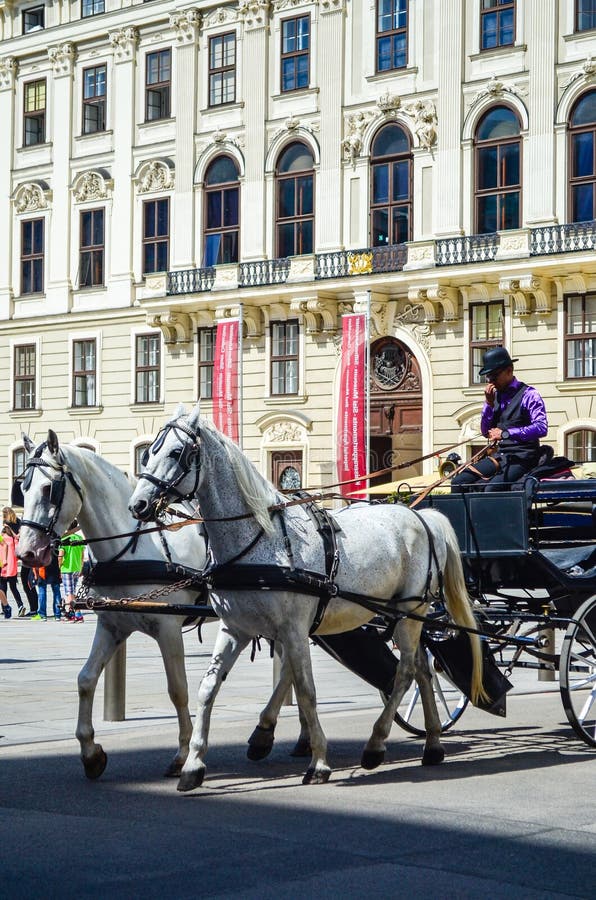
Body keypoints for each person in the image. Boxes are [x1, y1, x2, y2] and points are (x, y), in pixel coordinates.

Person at [451, 346, 548, 492]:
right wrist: (489, 404)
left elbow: (541, 427)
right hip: (501, 457)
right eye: (488, 377)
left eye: (494, 376)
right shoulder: (494, 397)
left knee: (492, 489)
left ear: (509, 371)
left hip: (524, 458)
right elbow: (485, 432)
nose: (491, 381)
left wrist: (506, 433)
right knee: (459, 481)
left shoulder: (529, 395)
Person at [3, 506, 38, 615]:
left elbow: (18, 536)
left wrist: (9, 529)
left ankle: (33, 609)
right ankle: (32, 608)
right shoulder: (19, 522)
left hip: (25, 555)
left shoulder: (11, 524)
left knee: (27, 583)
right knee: (26, 583)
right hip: (24, 555)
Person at [58, 520, 84, 622]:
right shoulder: (80, 538)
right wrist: (81, 567)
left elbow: (60, 556)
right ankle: (75, 612)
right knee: (73, 592)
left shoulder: (64, 539)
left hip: (67, 568)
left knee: (69, 592)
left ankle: (75, 613)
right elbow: (82, 556)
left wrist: (60, 567)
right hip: (77, 568)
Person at [0, 524, 27, 617]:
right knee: (13, 588)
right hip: (12, 567)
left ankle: (5, 608)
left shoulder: (2, 538)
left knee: (3, 588)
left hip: (3, 567)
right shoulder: (13, 539)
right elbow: (17, 552)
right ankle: (20, 605)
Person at [31, 555, 62, 621]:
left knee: (42, 591)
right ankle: (57, 614)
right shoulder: (55, 544)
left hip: (42, 568)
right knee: (56, 591)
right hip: (54, 566)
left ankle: (42, 614)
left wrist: (35, 572)